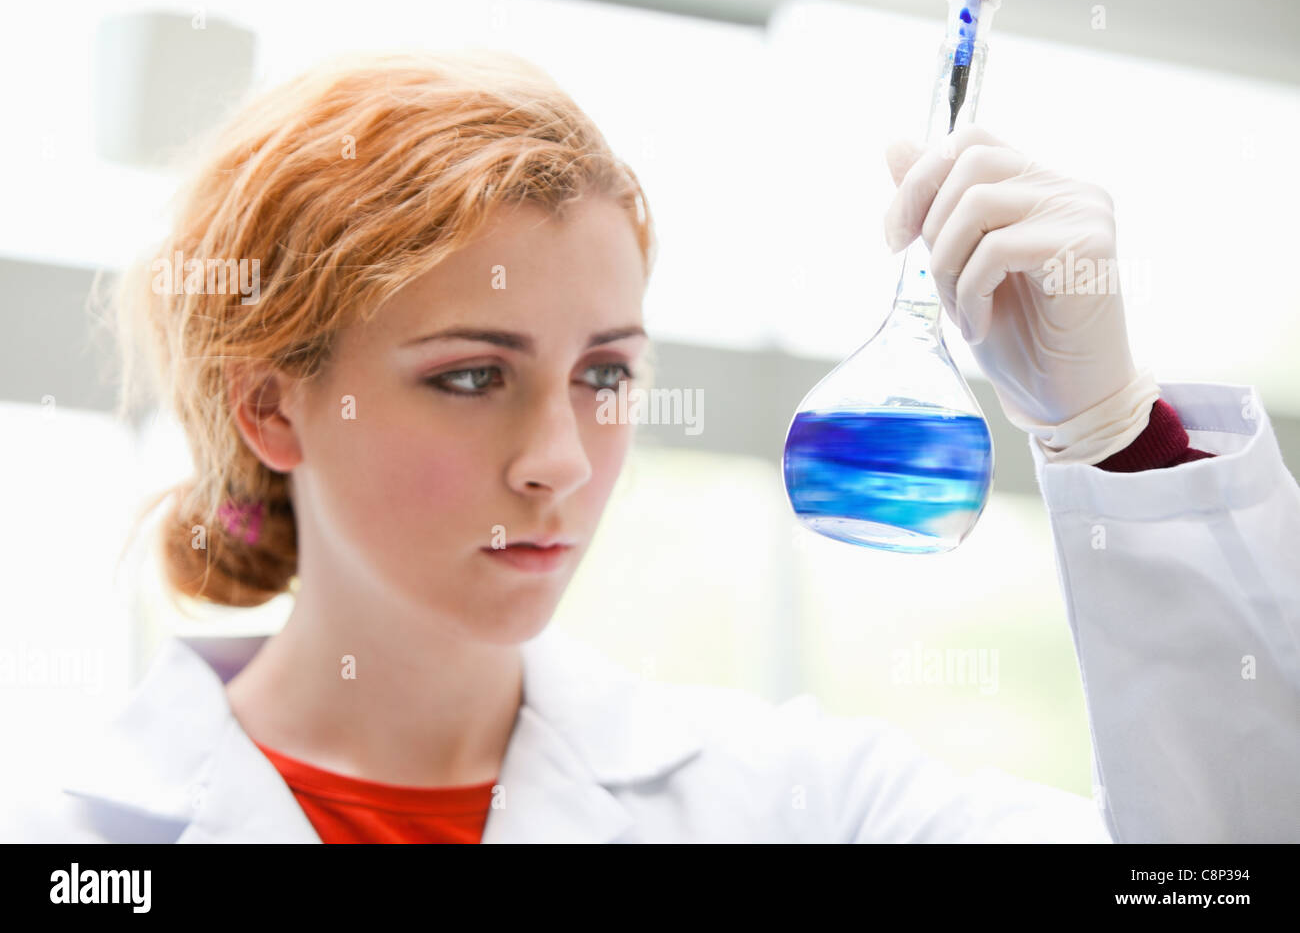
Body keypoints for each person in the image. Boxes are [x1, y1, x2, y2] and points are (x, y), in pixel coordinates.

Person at [4, 49, 1296, 843]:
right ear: (272, 409)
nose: (561, 458)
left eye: (606, 373)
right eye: (470, 376)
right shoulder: (71, 844)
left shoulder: (800, 809)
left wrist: (1113, 431)